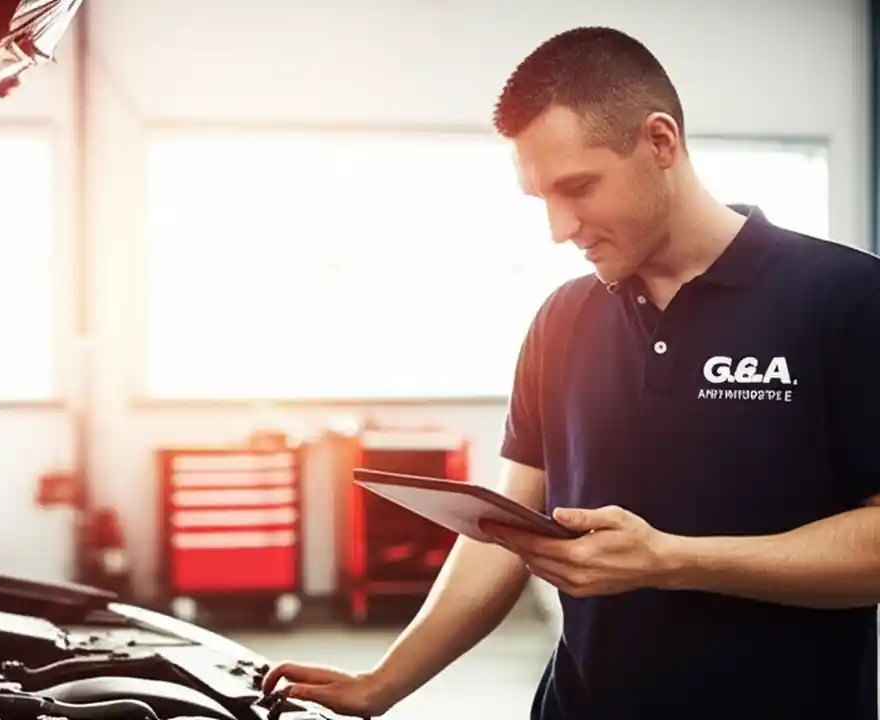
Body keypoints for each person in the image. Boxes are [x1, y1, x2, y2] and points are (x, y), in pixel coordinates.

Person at [262, 26, 880, 720]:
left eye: (579, 187)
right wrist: (384, 682)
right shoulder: (562, 319)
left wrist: (673, 560)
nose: (560, 228)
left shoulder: (847, 301)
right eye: (542, 199)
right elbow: (503, 538)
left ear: (661, 143)